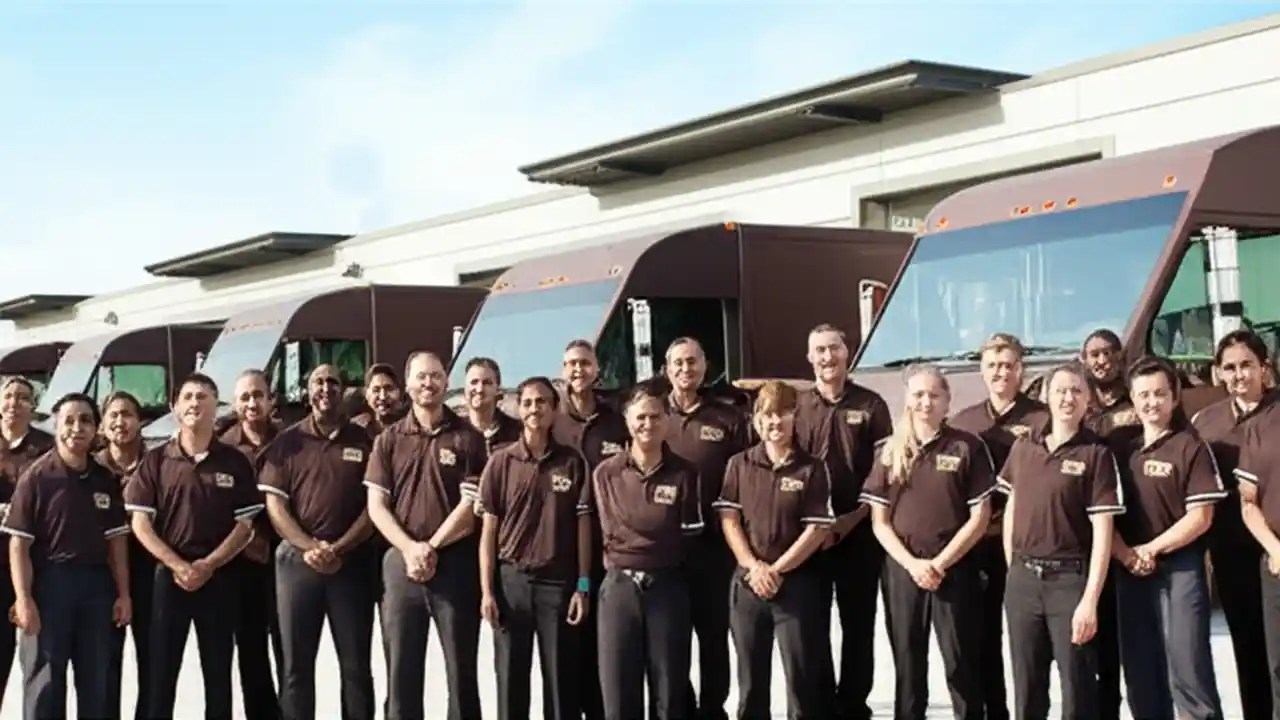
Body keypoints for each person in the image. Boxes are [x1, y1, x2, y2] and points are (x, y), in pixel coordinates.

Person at [123, 373, 262, 720]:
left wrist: (208, 565)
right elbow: (140, 524)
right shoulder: (155, 461)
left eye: (203, 396)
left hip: (219, 577)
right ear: (174, 407)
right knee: (160, 673)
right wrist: (177, 565)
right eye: (187, 397)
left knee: (218, 674)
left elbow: (244, 527)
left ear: (217, 406)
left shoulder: (235, 461)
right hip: (168, 579)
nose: (194, 403)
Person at [861, 364, 993, 720]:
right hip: (904, 573)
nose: (926, 402)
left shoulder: (968, 446)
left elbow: (979, 518)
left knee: (961, 666)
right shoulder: (890, 452)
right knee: (908, 667)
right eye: (918, 394)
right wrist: (914, 565)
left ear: (947, 401)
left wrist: (940, 563)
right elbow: (879, 522)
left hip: (954, 572)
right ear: (908, 400)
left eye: (934, 395)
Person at [997, 362, 1124, 720]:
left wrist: (1089, 600)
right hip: (1022, 580)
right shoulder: (1024, 447)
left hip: (1070, 581)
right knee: (1027, 686)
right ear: (1046, 398)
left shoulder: (1097, 454)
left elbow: (1103, 531)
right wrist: (1014, 568)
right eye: (1060, 391)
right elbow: (1011, 509)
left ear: (1088, 401)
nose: (1068, 398)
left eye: (1076, 391)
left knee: (1077, 686)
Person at [365, 350, 487, 720]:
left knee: (460, 670)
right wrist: (409, 548)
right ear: (408, 386)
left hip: (454, 563)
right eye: (421, 377)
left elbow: (471, 508)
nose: (428, 383)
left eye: (435, 376)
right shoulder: (388, 440)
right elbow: (376, 506)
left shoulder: (469, 438)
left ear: (446, 383)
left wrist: (431, 547)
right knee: (401, 671)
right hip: (401, 566)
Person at [2, 392, 131, 719]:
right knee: (45, 681)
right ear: (56, 426)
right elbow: (18, 545)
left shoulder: (105, 479)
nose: (77, 427)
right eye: (69, 420)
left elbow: (116, 543)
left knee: (96, 680)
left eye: (86, 420)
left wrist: (124, 594)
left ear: (96, 429)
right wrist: (24, 598)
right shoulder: (36, 478)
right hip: (50, 586)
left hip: (96, 589)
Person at [1109, 355, 1224, 720]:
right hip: (1130, 570)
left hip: (1180, 569)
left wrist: (1152, 549)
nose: (1151, 402)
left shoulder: (1190, 447)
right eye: (1143, 394)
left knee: (1188, 667)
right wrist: (1127, 555)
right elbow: (1101, 513)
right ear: (1132, 398)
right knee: (1141, 671)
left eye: (1160, 393)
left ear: (1174, 397)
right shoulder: (1119, 449)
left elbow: (1201, 517)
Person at [259, 365, 377, 720]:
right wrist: (309, 546)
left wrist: (339, 547)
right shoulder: (287, 443)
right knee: (296, 667)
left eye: (333, 382)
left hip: (351, 564)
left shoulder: (363, 442)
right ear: (307, 391)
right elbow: (275, 507)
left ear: (344, 390)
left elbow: (375, 506)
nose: (326, 388)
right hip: (297, 565)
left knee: (355, 666)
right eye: (318, 382)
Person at [715, 380, 834, 718]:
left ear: (795, 418)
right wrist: (754, 567)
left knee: (802, 681)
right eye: (767, 415)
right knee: (751, 682)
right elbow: (729, 521)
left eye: (783, 414)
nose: (775, 422)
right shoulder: (739, 464)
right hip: (748, 585)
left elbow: (817, 529)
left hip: (795, 585)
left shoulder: (811, 468)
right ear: (756, 420)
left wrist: (778, 569)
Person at [791, 324, 892, 720]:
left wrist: (852, 519)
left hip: (859, 532)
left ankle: (852, 705)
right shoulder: (797, 406)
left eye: (834, 348)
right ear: (809, 357)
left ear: (847, 352)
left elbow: (883, 473)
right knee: (810, 626)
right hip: (807, 537)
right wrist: (812, 528)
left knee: (857, 626)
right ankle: (818, 706)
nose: (827, 357)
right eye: (819, 350)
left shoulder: (872, 405)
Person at [477, 376, 591, 720]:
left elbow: (583, 528)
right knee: (511, 682)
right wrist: (487, 591)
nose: (534, 409)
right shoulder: (500, 462)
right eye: (527, 402)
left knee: (561, 683)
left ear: (554, 409)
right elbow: (488, 533)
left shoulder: (572, 462)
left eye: (542, 402)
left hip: (557, 585)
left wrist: (583, 586)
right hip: (511, 583)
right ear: (517, 408)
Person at [949, 333, 1048, 720]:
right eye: (993, 365)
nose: (1000, 372)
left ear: (1020, 370)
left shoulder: (1041, 419)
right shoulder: (965, 421)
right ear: (982, 371)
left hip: (1027, 546)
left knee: (1031, 647)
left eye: (1008, 365)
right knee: (982, 640)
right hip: (977, 546)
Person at [593, 380, 702, 719]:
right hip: (619, 589)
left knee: (669, 691)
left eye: (655, 416)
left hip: (667, 587)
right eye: (640, 417)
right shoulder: (606, 473)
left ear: (666, 420)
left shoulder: (685, 473)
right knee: (619, 691)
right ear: (627, 420)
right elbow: (610, 532)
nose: (648, 424)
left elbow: (689, 536)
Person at [662, 337, 748, 720]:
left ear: (705, 366)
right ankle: (681, 708)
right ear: (667, 369)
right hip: (666, 549)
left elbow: (748, 476)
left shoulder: (728, 418)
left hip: (715, 548)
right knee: (671, 639)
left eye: (692, 362)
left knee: (714, 637)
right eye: (678, 363)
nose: (685, 369)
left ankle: (714, 710)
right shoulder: (650, 416)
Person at [1192, 330, 1277, 720]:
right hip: (1232, 552)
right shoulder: (1205, 424)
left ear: (1264, 367)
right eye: (1230, 367)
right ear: (1218, 373)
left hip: (1275, 549)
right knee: (1248, 647)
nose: (1239, 374)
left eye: (1247, 365)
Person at [550, 339, 628, 720]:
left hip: (609, 548)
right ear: (563, 370)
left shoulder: (616, 420)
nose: (577, 370)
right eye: (570, 364)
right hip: (560, 547)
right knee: (566, 646)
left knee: (606, 645)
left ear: (596, 369)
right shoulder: (551, 418)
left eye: (584, 363)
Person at [221, 368, 284, 720]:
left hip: (284, 555)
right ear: (235, 403)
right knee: (251, 647)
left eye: (258, 395)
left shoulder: (290, 441)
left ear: (271, 400)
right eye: (244, 397)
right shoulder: (225, 448)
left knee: (288, 646)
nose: (251, 403)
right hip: (241, 561)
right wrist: (244, 543)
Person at [1079, 328, 1131, 719]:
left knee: (1122, 642)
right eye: (1093, 354)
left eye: (1107, 352)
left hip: (1134, 532)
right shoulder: (1078, 408)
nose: (1101, 360)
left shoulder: (1140, 400)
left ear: (1120, 355)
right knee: (1087, 643)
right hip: (1086, 538)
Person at [96, 391, 152, 720]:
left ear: (140, 421)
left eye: (127, 414)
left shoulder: (157, 462)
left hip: (149, 572)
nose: (120, 421)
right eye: (113, 415)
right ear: (103, 424)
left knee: (154, 663)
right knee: (104, 665)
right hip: (103, 577)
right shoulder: (92, 467)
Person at [0, 376, 54, 711]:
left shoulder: (46, 448)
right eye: (8, 396)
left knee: (38, 660)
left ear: (33, 406)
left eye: (23, 397)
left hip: (37, 567)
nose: (14, 403)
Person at [461, 357, 522, 458]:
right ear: (465, 389)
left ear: (498, 389)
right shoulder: (453, 432)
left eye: (487, 383)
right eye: (474, 382)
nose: (479, 389)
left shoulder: (518, 433)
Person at [352, 363, 405, 440]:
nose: (382, 397)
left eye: (389, 389)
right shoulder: (355, 429)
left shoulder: (412, 429)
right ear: (366, 394)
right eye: (376, 390)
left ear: (400, 392)